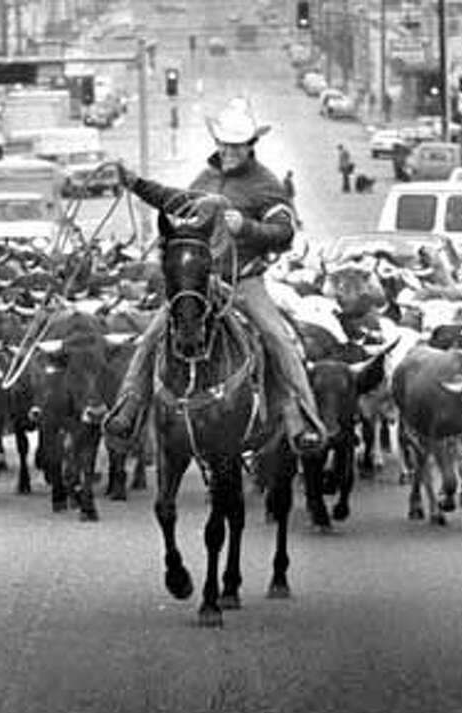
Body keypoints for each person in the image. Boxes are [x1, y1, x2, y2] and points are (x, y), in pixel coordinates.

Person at [103, 99, 327, 455]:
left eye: (237, 146)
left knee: (278, 338)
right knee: (151, 337)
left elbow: (284, 233)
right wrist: (136, 184)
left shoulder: (266, 184)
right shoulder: (206, 178)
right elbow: (175, 200)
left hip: (245, 282)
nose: (229, 151)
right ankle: (129, 407)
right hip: (201, 282)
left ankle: (302, 419)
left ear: (251, 145)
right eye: (225, 144)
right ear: (217, 142)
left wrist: (247, 227)